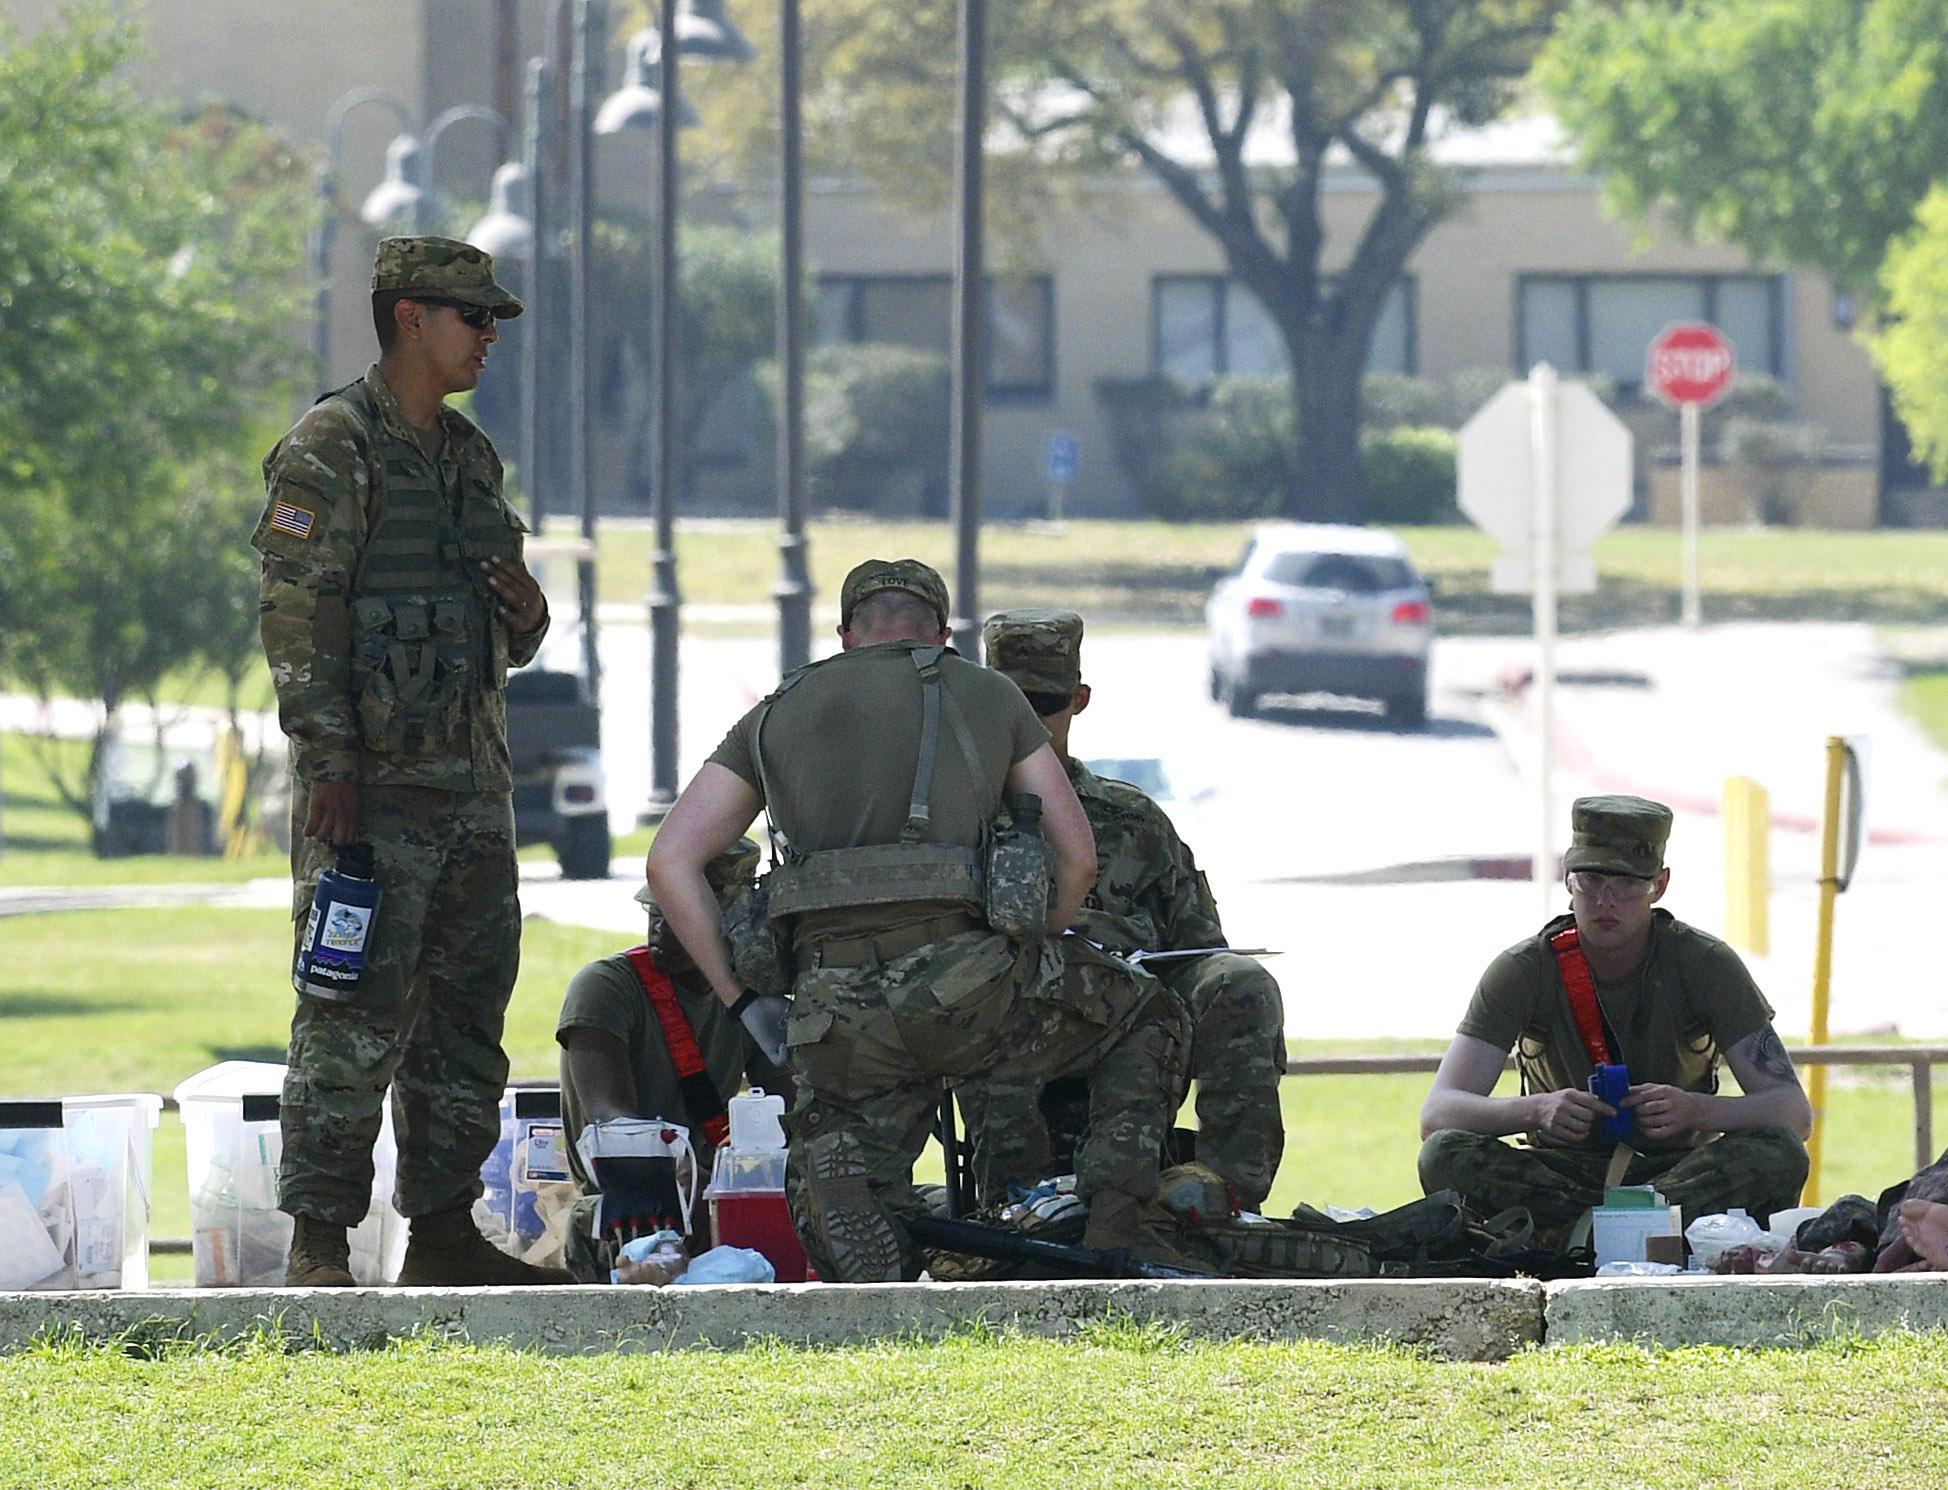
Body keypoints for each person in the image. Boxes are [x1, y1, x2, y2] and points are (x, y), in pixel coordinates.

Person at [644, 558, 1195, 1281]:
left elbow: (670, 862)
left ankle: (863, 1210)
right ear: (941, 634)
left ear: (847, 635)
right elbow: (1079, 859)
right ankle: (1113, 1217)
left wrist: (744, 1002)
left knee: (848, 1155)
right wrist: (1035, 943)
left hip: (834, 1012)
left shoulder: (775, 711)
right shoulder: (991, 694)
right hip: (975, 990)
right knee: (1151, 1014)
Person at [254, 236, 565, 1287]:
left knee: (466, 1023)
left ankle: (442, 1231)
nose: (488, 339)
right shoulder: (331, 447)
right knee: (348, 1014)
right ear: (408, 318)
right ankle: (318, 1240)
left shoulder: (469, 458)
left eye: (492, 322)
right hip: (372, 797)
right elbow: (298, 617)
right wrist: (331, 765)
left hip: (472, 791)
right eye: (473, 318)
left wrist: (530, 614)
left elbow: (507, 627)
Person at [960, 607, 1287, 1211]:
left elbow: (1198, 944)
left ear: (1079, 701)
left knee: (1241, 983)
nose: (1030, 723)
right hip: (1015, 1005)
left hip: (1139, 1001)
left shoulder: (1131, 819)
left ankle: (1224, 1198)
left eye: (1046, 704)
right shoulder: (960, 821)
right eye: (1014, 704)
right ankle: (1017, 1210)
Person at [1418, 794, 1811, 1245]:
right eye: (1591, 881)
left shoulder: (1704, 964)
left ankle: (1581, 1236)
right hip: (1557, 1175)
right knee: (1444, 1154)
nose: (1606, 901)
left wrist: (1695, 1110)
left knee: (1780, 1154)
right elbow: (1438, 1114)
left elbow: (1792, 1113)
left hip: (1677, 1172)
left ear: (1659, 885)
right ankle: (1630, 1232)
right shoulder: (1525, 970)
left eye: (1627, 884)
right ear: (1568, 880)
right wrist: (1537, 1110)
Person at [556, 838, 790, 1271]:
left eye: (680, 914)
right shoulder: (607, 987)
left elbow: (792, 1113)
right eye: (656, 911)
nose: (661, 927)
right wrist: (691, 1186)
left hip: (710, 1197)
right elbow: (615, 1126)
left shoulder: (748, 1001)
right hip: (633, 1207)